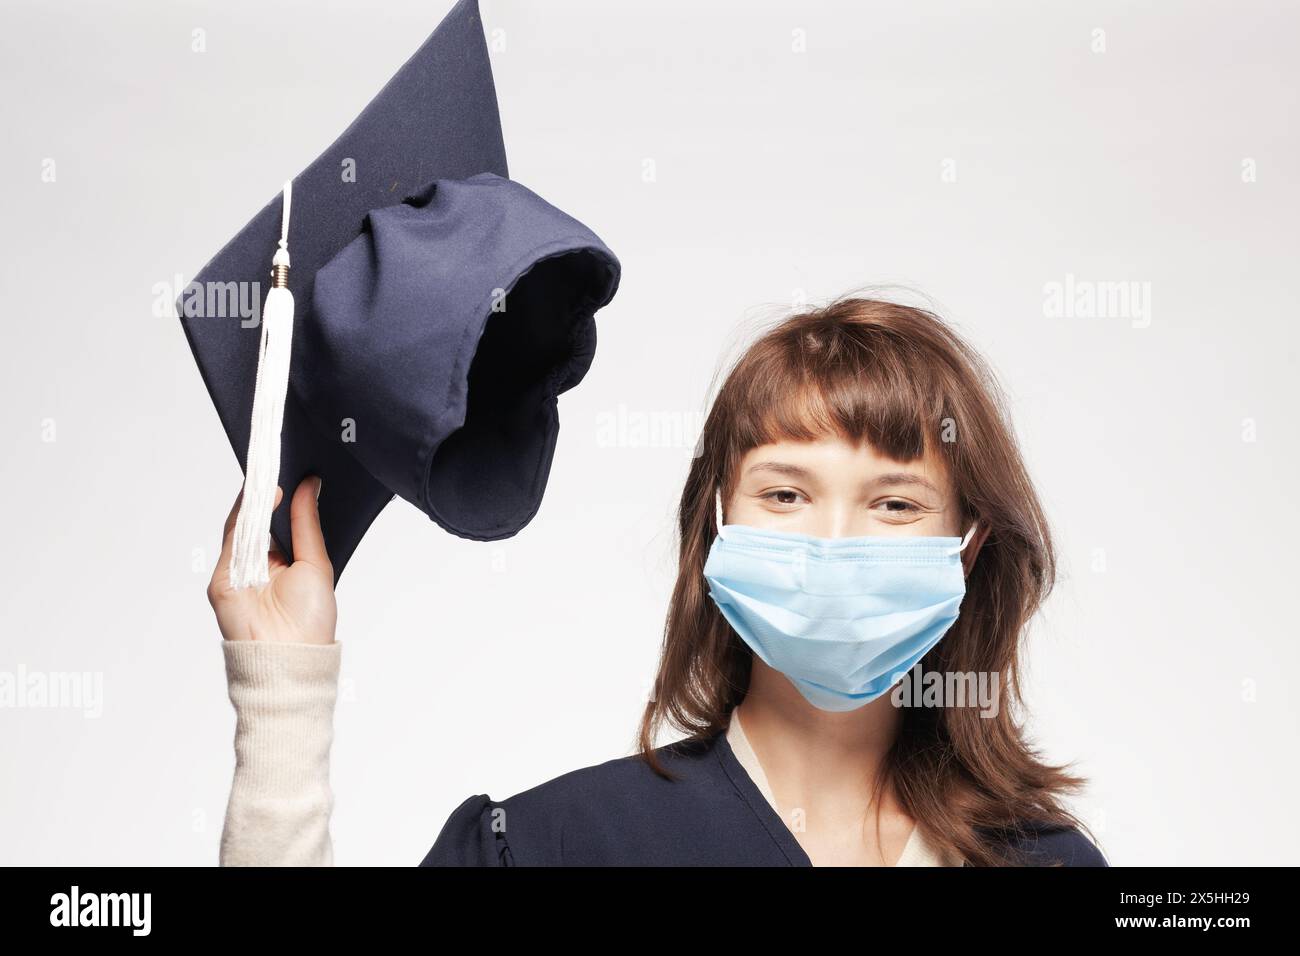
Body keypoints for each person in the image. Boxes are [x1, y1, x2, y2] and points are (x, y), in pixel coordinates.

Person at [210, 295, 1108, 867]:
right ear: (715, 521)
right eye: (786, 493)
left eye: (896, 505)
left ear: (970, 543)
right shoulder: (560, 849)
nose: (835, 542)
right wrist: (281, 695)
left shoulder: (1046, 863)